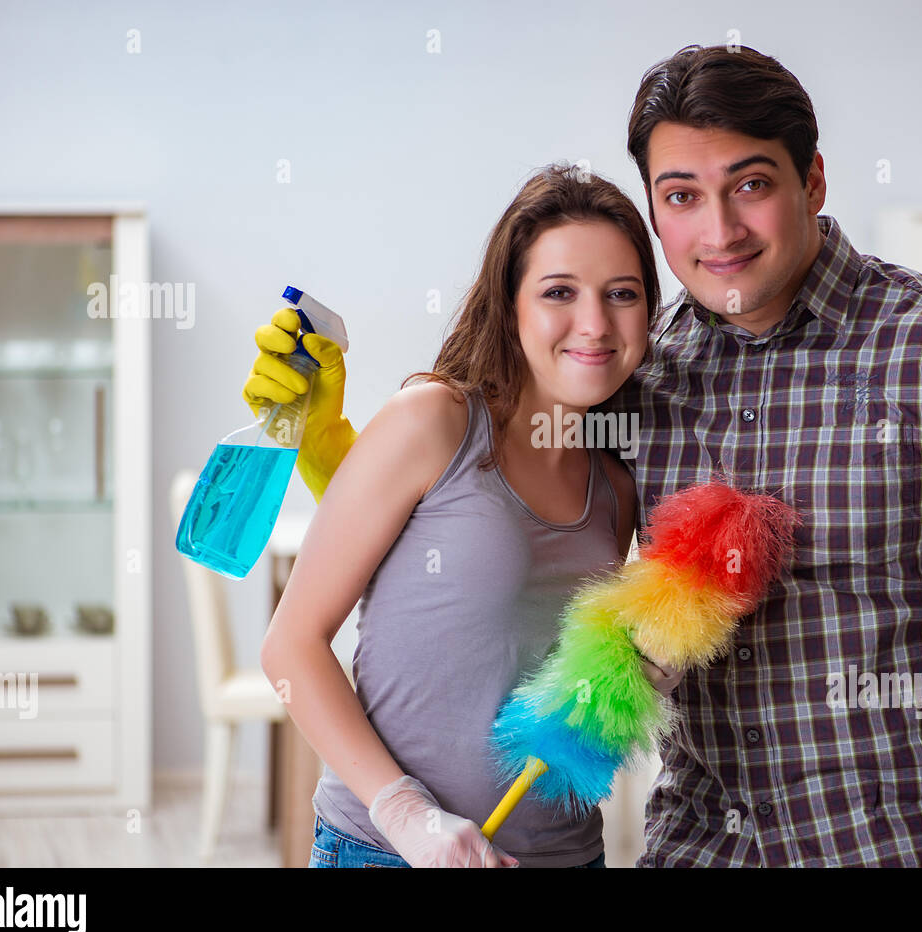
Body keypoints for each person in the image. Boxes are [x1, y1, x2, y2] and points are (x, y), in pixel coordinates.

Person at [248, 46, 922, 867]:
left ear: (813, 180)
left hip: (910, 843)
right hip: (704, 843)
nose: (721, 230)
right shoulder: (644, 372)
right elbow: (496, 528)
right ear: (657, 214)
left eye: (752, 184)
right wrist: (340, 455)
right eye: (683, 196)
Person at [256, 164, 679, 868]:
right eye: (558, 293)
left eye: (623, 294)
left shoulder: (617, 481)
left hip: (567, 856)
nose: (596, 323)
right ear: (508, 305)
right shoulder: (434, 420)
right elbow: (290, 646)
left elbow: (537, 677)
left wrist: (636, 674)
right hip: (387, 852)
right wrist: (407, 817)